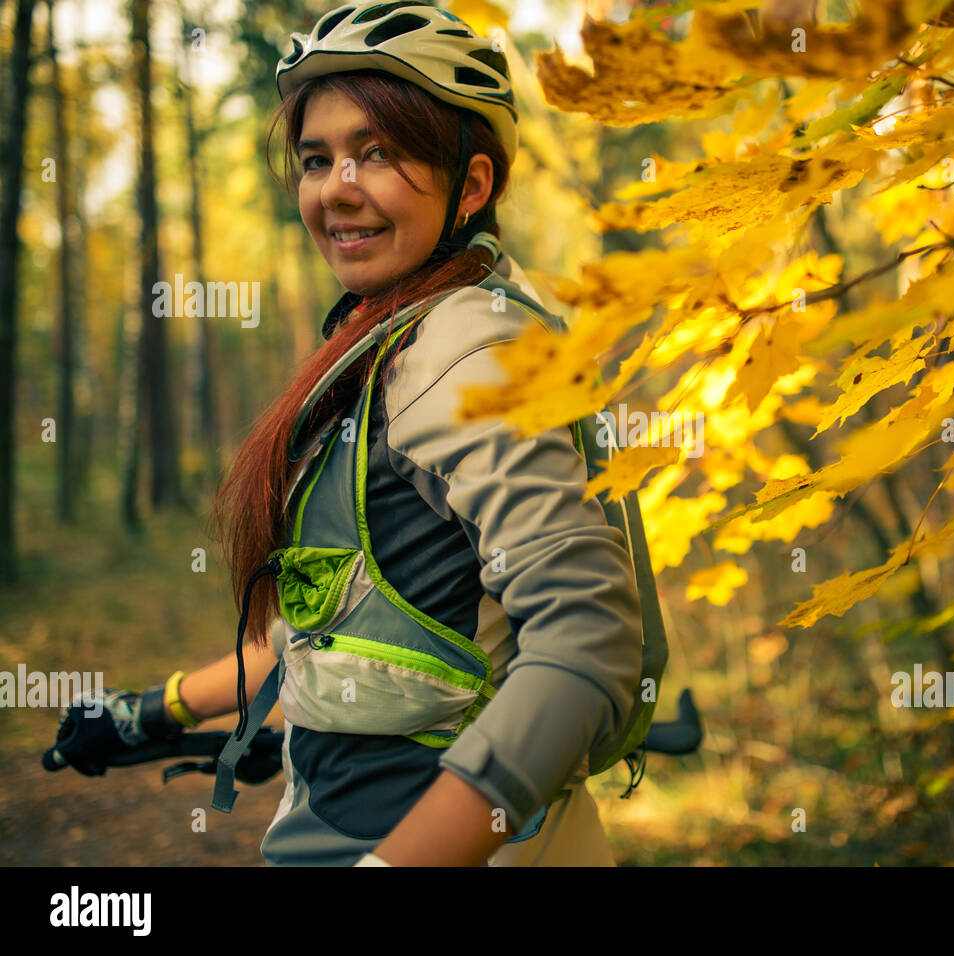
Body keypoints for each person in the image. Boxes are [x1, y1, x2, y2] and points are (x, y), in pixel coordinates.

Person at [49, 2, 645, 867]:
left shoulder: (469, 351)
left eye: (379, 153)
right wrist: (157, 708)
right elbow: (339, 625)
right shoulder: (396, 343)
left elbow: (586, 637)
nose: (336, 187)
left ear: (472, 186)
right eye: (316, 160)